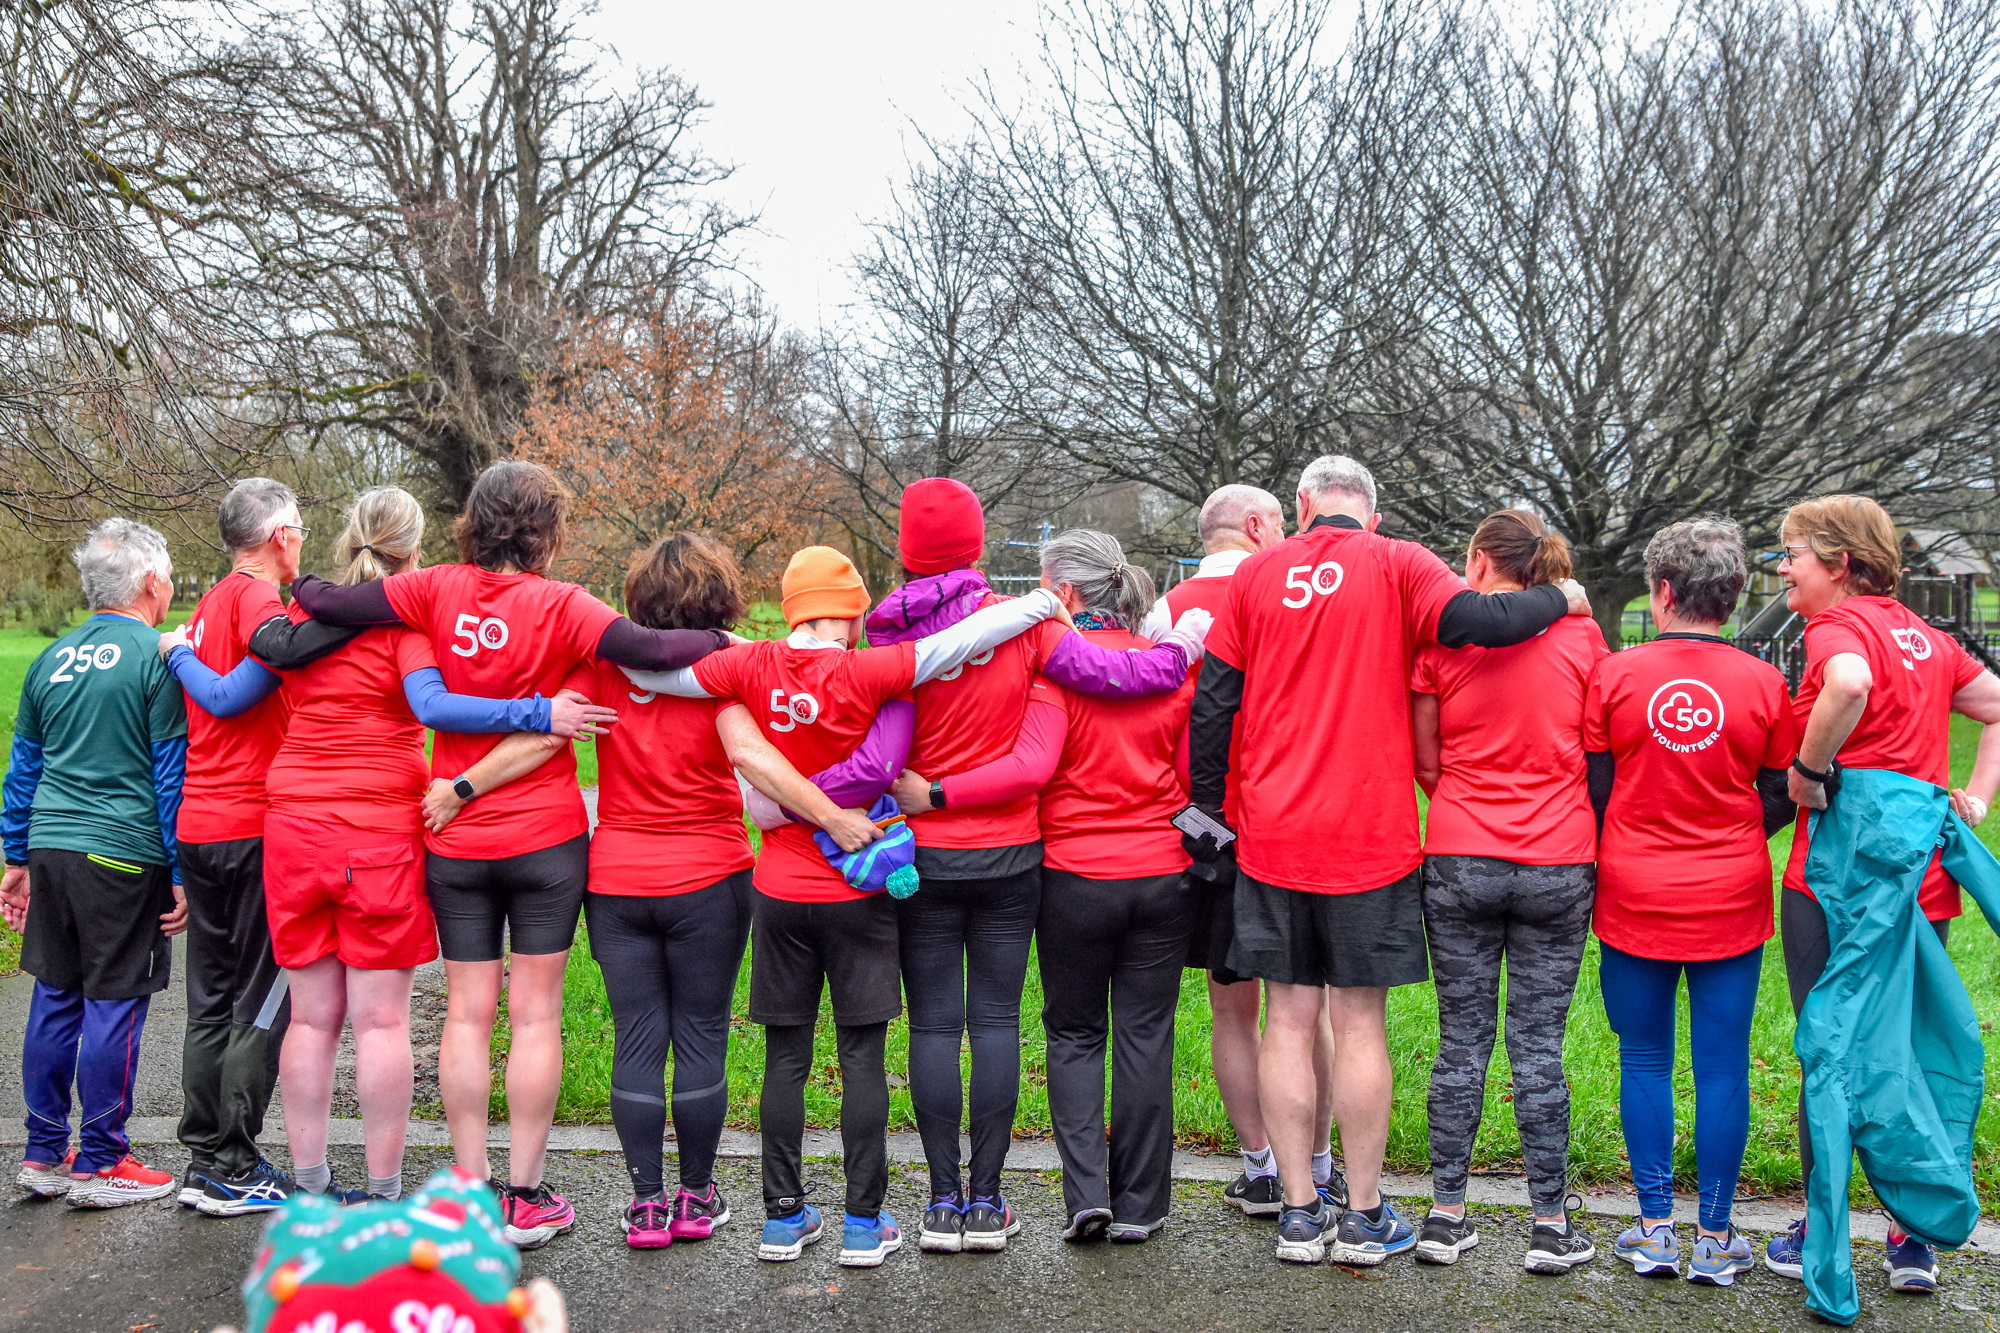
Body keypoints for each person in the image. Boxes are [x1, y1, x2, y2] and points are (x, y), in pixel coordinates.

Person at [291, 460, 733, 1248]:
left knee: (467, 1013)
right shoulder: (567, 606)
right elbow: (650, 646)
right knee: (535, 1015)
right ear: (547, 530)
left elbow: (327, 599)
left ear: (473, 522)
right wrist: (725, 639)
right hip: (545, 840)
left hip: (454, 838)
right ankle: (525, 1195)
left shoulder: (430, 590)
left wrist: (296, 582)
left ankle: (469, 1190)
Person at [1186, 454, 1593, 1267]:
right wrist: (1563, 596)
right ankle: (1366, 1214)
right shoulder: (1402, 561)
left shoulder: (1257, 575)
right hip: (1370, 832)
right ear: (1372, 513)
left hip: (1272, 830)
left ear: (1303, 507)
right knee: (1357, 1020)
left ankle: (1299, 1211)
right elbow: (1488, 619)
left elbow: (1214, 701)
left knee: (1288, 1017)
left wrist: (1207, 810)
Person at [165, 487, 611, 1208]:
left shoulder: (300, 618)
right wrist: (535, 708)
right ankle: (382, 1189)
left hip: (292, 826)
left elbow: (236, 688)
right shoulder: (409, 619)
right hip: (376, 831)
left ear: (346, 540)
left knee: (310, 1018)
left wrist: (181, 655)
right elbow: (434, 705)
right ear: (415, 548)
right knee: (381, 1021)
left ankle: (309, 1188)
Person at [621, 544, 1065, 1269]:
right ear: (848, 611)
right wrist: (1037, 605)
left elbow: (656, 670)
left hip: (779, 891)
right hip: (856, 890)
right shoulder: (868, 669)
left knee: (786, 1058)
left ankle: (781, 1217)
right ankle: (864, 1222)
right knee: (861, 1058)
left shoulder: (749, 664)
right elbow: (954, 644)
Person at [864, 477, 1206, 1254]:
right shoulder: (1029, 632)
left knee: (947, 1025)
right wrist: (1181, 646)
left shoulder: (884, 636)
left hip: (950, 857)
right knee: (1014, 1024)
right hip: (1033, 858)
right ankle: (1013, 1202)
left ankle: (951, 1199)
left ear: (905, 548)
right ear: (979, 545)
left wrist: (923, 793)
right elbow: (1129, 699)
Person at [1763, 494, 2000, 1294]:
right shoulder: (1924, 632)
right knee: (1906, 1048)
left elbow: (1851, 684)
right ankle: (1912, 1232)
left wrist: (1809, 768)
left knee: (1826, 1051)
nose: (1783, 569)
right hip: (1919, 887)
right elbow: (1996, 703)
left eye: (1790, 553)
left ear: (1837, 562)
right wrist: (1975, 794)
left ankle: (1816, 1226)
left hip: (1831, 886)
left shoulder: (1841, 627)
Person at [1582, 518, 1797, 1286]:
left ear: (1663, 591)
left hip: (1634, 888)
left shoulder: (1614, 675)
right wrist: (1733, 825)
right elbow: (1781, 790)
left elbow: (1595, 786)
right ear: (1734, 596)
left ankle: (1653, 1230)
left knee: (1643, 1055)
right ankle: (1714, 1235)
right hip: (1730, 892)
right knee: (1721, 1066)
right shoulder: (1767, 683)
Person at [1410, 510, 1607, 1272]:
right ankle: (1551, 1224)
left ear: (1483, 562)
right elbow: (1598, 749)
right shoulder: (1585, 639)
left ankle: (1445, 1214)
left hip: (1460, 853)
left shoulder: (1442, 642)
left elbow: (1427, 760)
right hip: (1558, 859)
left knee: (1462, 1041)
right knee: (1538, 1046)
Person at [1140, 483, 1343, 1217]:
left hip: (1204, 825)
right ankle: (1319, 1164)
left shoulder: (1169, 607)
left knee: (1232, 1008)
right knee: (1304, 1005)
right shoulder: (1295, 589)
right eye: (1282, 523)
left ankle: (1259, 1163)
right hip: (1290, 816)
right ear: (1258, 526)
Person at [3, 519, 190, 1207]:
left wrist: (15, 855)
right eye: (167, 576)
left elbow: (23, 768)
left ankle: (44, 1152)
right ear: (149, 583)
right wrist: (180, 871)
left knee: (55, 993)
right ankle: (105, 1157)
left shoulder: (51, 659)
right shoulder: (157, 657)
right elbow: (172, 773)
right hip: (122, 852)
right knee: (115, 999)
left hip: (50, 845)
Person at [1025, 529, 1198, 1242]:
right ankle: (1142, 1204)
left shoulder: (1053, 670)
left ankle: (1086, 1194)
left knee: (1072, 1033)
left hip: (1072, 873)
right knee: (1146, 1036)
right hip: (1161, 873)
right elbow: (1191, 778)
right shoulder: (1172, 669)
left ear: (1066, 592)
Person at [171, 479, 306, 1214]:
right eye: (300, 532)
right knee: (261, 996)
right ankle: (235, 1160)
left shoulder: (206, 604)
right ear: (280, 534)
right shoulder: (259, 602)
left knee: (210, 999)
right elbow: (233, 695)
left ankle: (203, 1155)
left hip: (201, 824)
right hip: (252, 823)